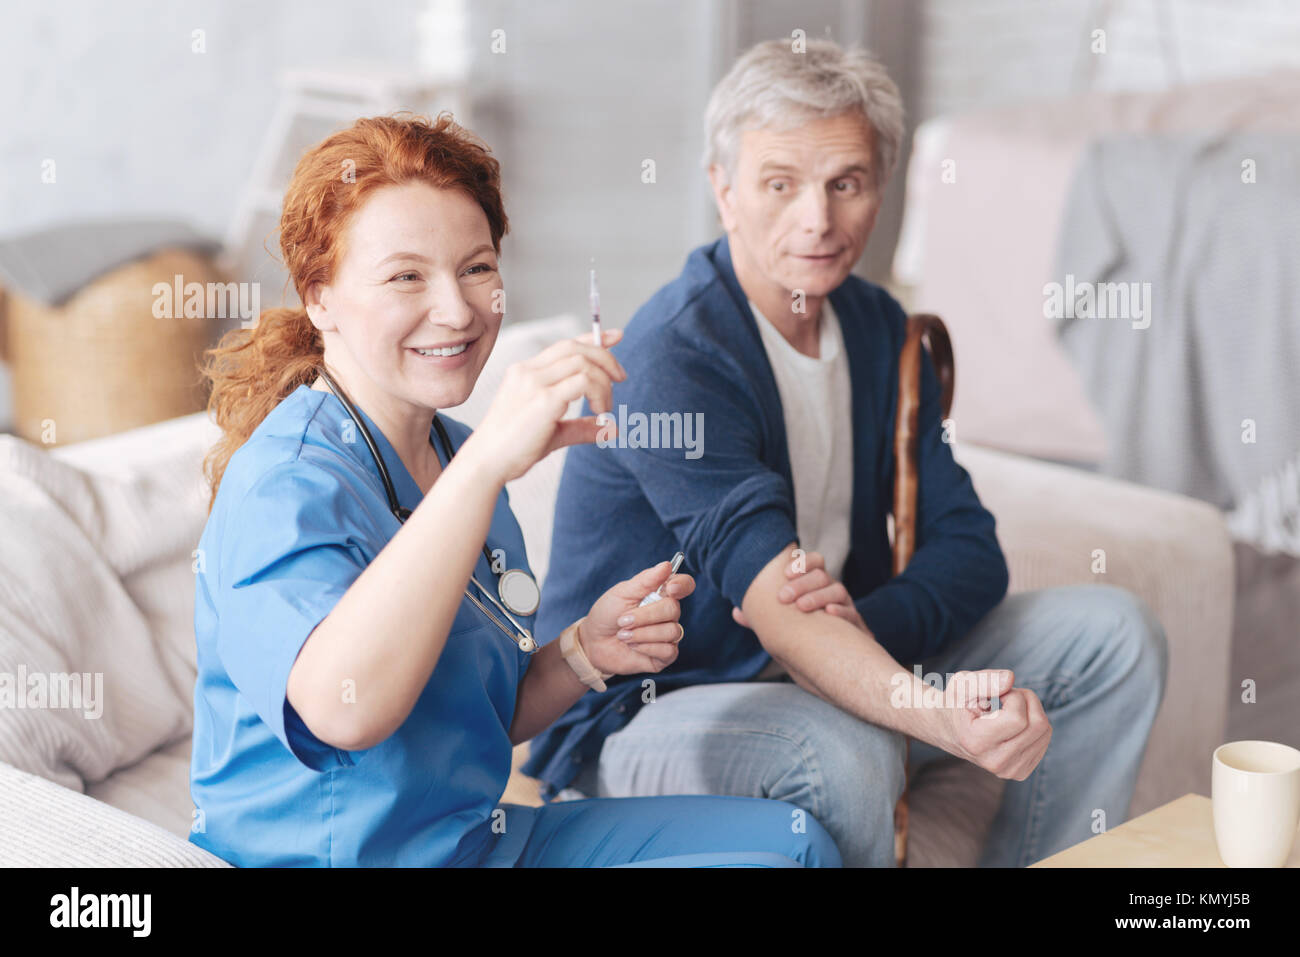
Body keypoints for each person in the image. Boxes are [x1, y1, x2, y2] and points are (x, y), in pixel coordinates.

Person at [525, 39, 1170, 867]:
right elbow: (773, 605)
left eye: (847, 183)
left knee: (1114, 636)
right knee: (843, 748)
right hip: (653, 710)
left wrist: (849, 634)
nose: (817, 220)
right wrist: (917, 702)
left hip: (822, 665)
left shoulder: (878, 329)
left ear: (881, 188)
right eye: (780, 183)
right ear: (723, 190)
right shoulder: (677, 355)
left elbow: (971, 550)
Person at [188, 112, 840, 868]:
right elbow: (347, 707)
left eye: (475, 267)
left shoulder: (456, 456)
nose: (458, 309)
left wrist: (586, 650)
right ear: (320, 297)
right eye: (406, 275)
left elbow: (473, 722)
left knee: (795, 846)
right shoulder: (285, 483)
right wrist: (485, 465)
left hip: (475, 843)